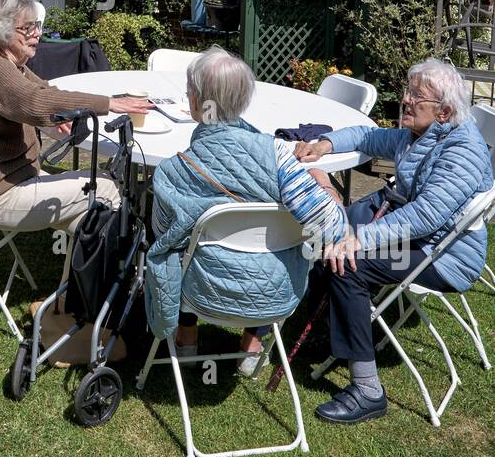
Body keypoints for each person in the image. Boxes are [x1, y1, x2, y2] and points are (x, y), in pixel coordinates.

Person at [296, 57, 493, 425]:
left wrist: (359, 241)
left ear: (444, 110)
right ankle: (328, 331)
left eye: (416, 96)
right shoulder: (422, 133)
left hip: (443, 257)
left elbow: (425, 217)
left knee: (350, 266)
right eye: (407, 91)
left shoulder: (461, 149)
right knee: (326, 232)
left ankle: (368, 390)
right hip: (419, 239)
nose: (404, 100)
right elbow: (368, 137)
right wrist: (324, 144)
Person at [146, 46, 348, 372]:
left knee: (176, 245)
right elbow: (334, 227)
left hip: (203, 292)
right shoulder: (280, 158)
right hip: (276, 295)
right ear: (243, 101)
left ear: (196, 102)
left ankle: (186, 339)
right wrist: (324, 183)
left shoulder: (173, 170)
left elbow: (162, 235)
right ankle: (252, 348)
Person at [0, 0, 153, 233]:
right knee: (106, 186)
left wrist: (62, 113)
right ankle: (126, 259)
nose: (37, 33)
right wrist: (108, 103)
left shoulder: (10, 65)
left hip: (5, 181)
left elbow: (44, 90)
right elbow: (36, 101)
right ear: (4, 31)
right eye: (28, 28)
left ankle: (96, 262)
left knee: (89, 219)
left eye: (37, 26)